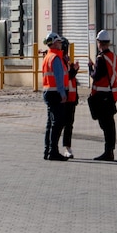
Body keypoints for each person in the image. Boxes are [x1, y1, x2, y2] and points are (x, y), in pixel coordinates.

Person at [41, 33, 79, 161]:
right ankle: (53, 151)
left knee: (50, 124)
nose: (61, 44)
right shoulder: (56, 58)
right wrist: (63, 94)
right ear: (54, 43)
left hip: (48, 92)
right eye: (59, 42)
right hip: (55, 93)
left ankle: (48, 150)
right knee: (58, 123)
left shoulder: (48, 57)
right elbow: (58, 78)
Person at [88, 30, 117, 161]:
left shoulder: (101, 58)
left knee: (105, 125)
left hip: (101, 95)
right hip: (111, 93)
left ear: (99, 43)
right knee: (110, 124)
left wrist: (91, 68)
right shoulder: (114, 57)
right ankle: (110, 150)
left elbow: (97, 75)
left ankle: (108, 152)